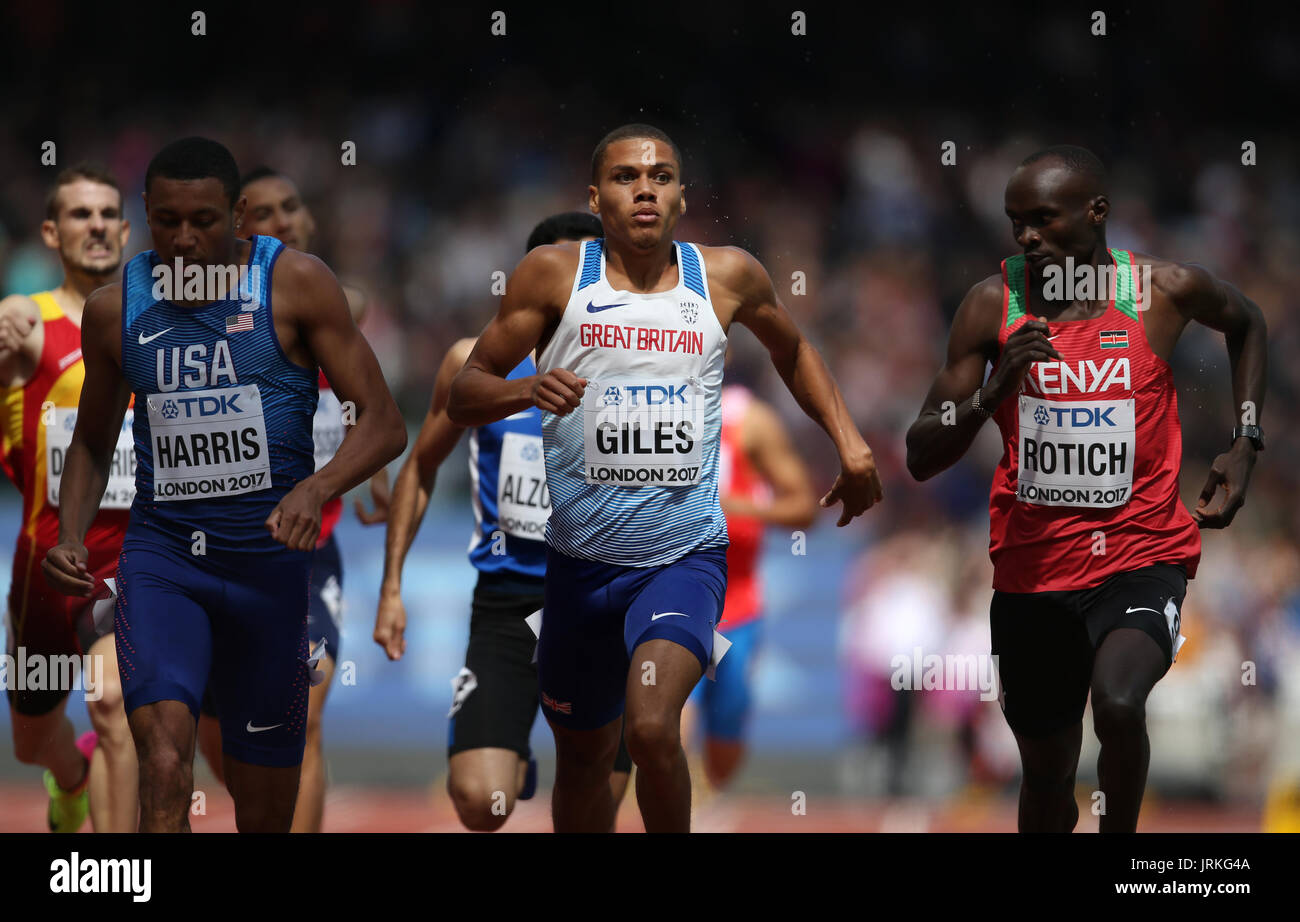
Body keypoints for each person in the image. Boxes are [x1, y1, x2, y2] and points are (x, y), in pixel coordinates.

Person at [447, 123, 883, 832]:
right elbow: (467, 390)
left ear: (681, 197)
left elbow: (794, 349)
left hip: (682, 561)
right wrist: (526, 392)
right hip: (577, 570)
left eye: (661, 176)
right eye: (625, 177)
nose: (644, 187)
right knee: (585, 760)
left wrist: (851, 444)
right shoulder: (554, 275)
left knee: (650, 729)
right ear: (596, 196)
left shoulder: (729, 275)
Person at [43, 137, 406, 832]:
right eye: (168, 220)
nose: (184, 239)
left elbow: (384, 423)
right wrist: (70, 535)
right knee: (165, 763)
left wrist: (317, 488)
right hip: (164, 562)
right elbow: (92, 438)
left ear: (239, 215)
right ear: (146, 212)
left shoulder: (297, 284)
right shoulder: (115, 310)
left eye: (204, 220)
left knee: (264, 810)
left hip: (267, 569)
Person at [905, 145, 1268, 832]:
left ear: (1096, 212)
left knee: (1120, 705)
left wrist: (1246, 443)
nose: (1027, 238)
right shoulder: (992, 306)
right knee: (1045, 771)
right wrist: (992, 393)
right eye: (1016, 223)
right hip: (1033, 572)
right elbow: (921, 452)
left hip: (1141, 557)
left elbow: (1247, 320)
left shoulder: (1163, 291)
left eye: (1042, 219)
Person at [374, 211, 633, 831]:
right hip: (509, 601)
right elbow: (419, 467)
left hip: (602, 599)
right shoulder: (472, 364)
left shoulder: (634, 366)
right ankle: (515, 754)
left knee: (596, 798)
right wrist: (390, 589)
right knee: (480, 800)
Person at [194, 165, 388, 833]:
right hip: (211, 546)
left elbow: (369, 401)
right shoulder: (207, 313)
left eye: (292, 206)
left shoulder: (335, 303)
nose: (283, 220)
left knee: (303, 702)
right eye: (263, 212)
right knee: (229, 750)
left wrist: (376, 472)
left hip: (305, 551)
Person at [0, 164, 138, 832]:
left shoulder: (153, 325)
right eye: (80, 215)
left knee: (112, 703)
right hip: (45, 565)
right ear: (52, 232)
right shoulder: (25, 323)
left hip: (128, 562)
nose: (97, 226)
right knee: (31, 740)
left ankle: (115, 872)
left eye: (108, 213)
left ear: (127, 229)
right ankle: (72, 774)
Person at [680, 381, 817, 791]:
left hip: (735, 609)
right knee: (665, 718)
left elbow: (804, 507)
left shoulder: (749, 421)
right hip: (670, 594)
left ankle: (699, 790)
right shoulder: (637, 403)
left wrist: (736, 506)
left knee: (723, 753)